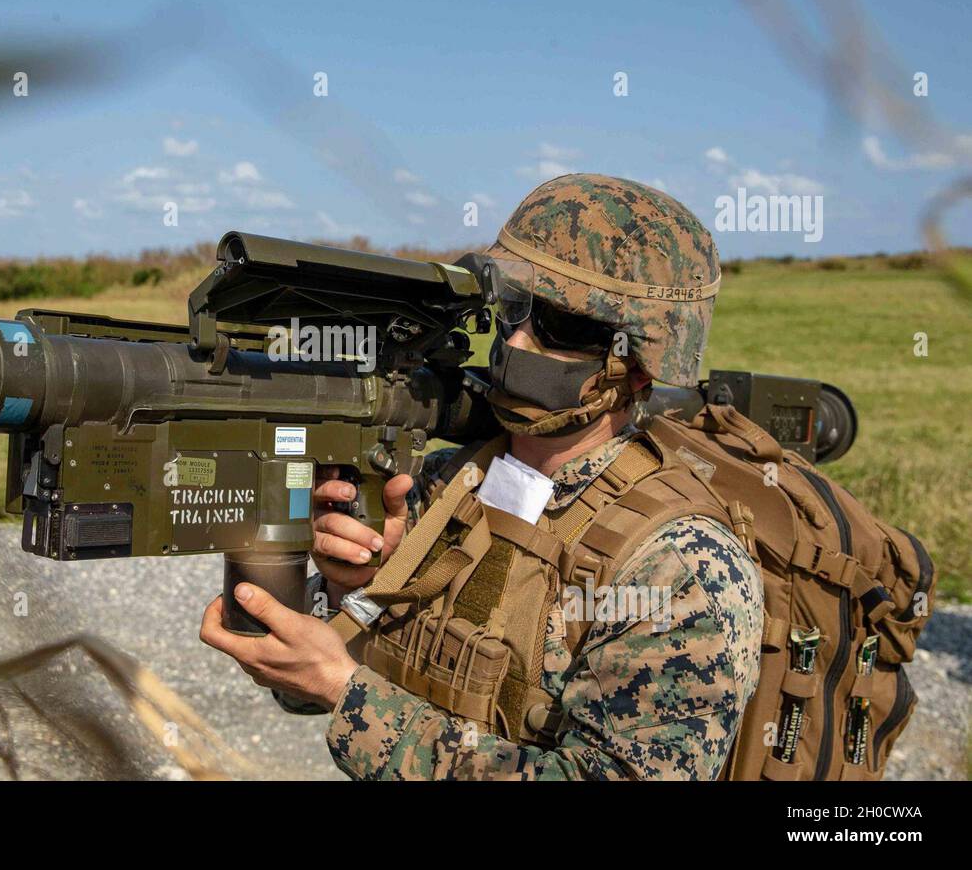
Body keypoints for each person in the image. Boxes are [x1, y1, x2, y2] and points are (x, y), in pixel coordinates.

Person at [201, 174, 763, 780]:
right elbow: (303, 685)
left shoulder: (680, 567)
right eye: (513, 309)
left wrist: (345, 692)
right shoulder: (447, 484)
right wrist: (349, 592)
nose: (518, 339)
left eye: (562, 325)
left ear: (638, 364)